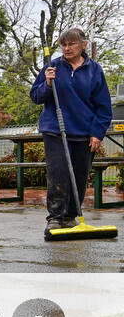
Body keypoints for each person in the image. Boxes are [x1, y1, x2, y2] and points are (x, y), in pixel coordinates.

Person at [30, 28, 113, 234]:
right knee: (58, 174)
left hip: (84, 132)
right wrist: (48, 83)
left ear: (83, 44)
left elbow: (103, 107)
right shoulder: (52, 67)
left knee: (79, 175)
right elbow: (35, 96)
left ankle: (71, 216)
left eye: (71, 44)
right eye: (63, 45)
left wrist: (97, 132)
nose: (66, 48)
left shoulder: (95, 70)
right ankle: (56, 218)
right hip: (55, 130)